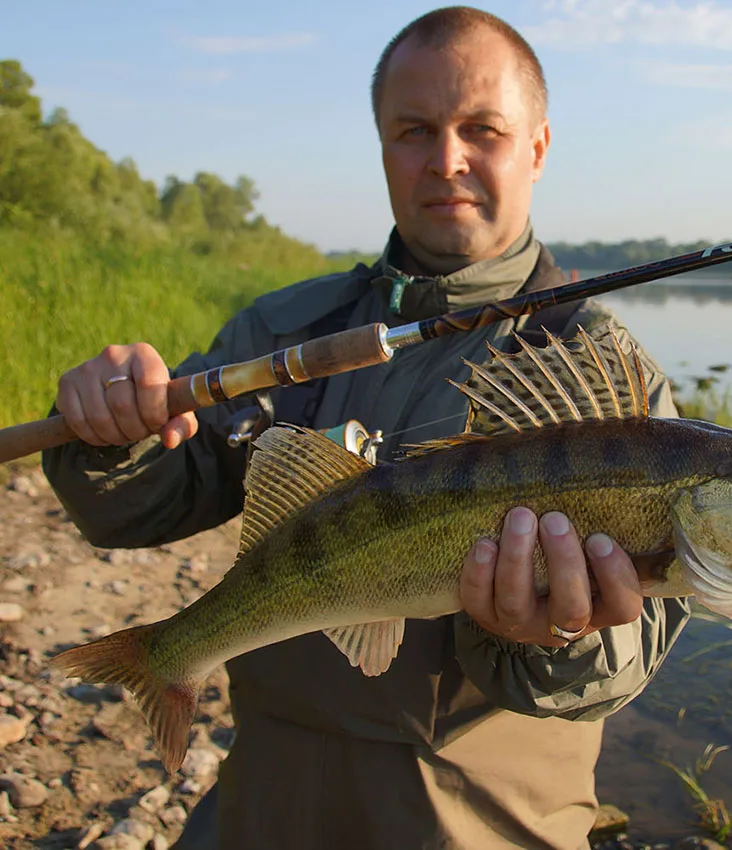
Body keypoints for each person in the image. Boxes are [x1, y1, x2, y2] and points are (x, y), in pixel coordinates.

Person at [43, 6, 688, 850]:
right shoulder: (283, 332)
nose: (446, 158)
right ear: (382, 146)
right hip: (262, 805)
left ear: (536, 147)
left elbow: (621, 662)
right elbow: (140, 507)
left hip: (473, 823)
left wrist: (561, 639)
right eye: (414, 130)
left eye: (481, 129)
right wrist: (108, 434)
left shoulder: (601, 372)